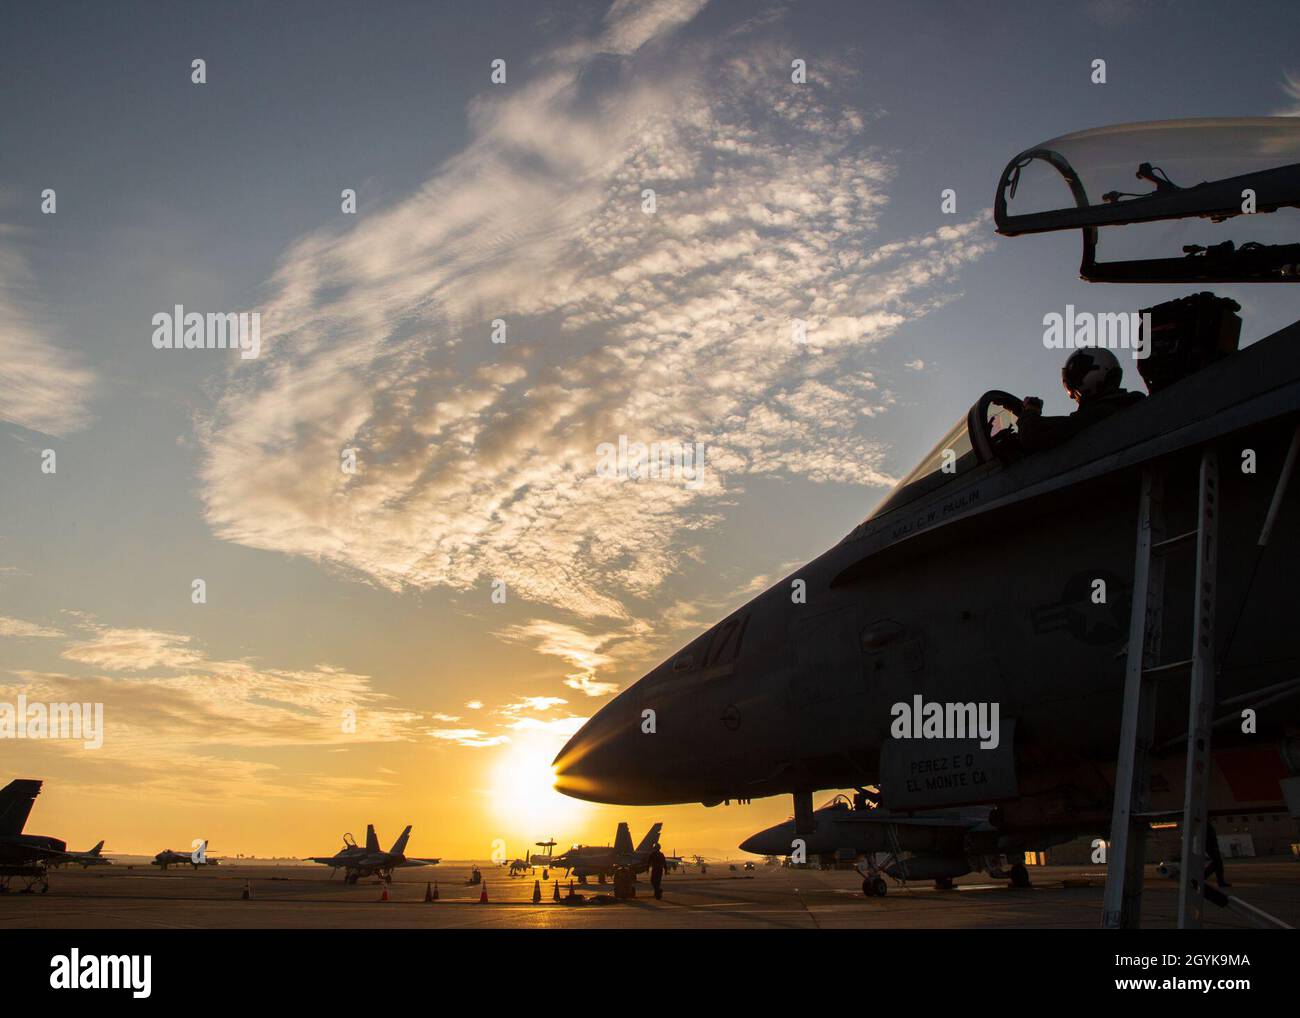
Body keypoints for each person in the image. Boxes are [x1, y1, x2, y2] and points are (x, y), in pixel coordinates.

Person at [1018, 347, 1145, 453]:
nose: (1073, 396)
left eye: (1072, 386)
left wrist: (1030, 411)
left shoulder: (1096, 415)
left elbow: (1032, 436)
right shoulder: (1129, 404)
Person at [1204, 822, 1231, 889]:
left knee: (1218, 864)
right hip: (1211, 847)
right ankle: (1203, 876)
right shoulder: (1206, 825)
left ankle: (1220, 881)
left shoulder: (1207, 825)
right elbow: (1210, 837)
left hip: (1212, 847)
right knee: (1217, 863)